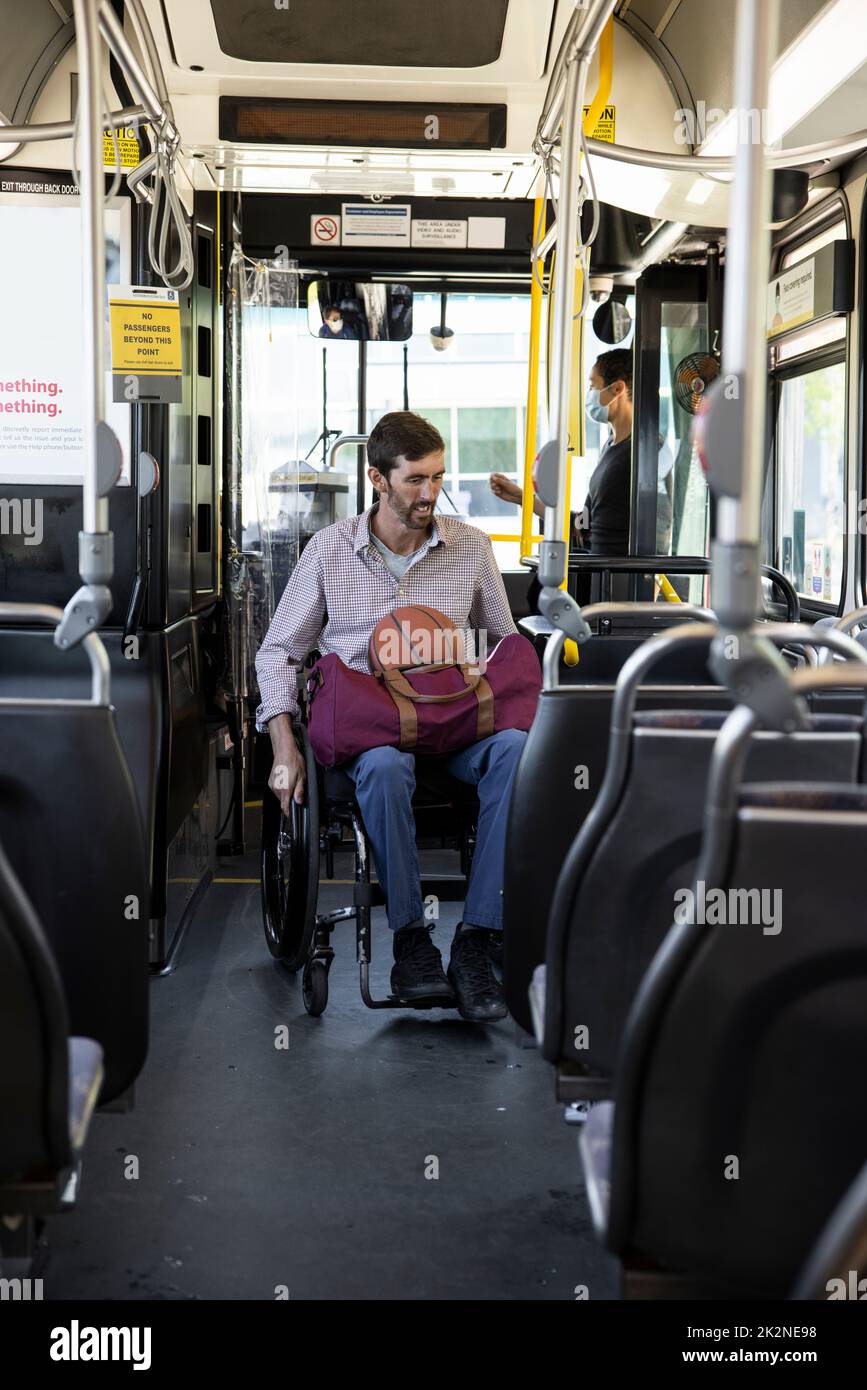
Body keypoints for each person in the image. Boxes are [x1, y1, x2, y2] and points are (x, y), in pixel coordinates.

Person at [255, 411, 526, 1023]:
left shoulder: (471, 548)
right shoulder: (329, 551)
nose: (429, 493)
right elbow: (278, 653)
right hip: (371, 730)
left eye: (437, 478)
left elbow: (504, 650)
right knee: (382, 765)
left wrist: (456, 656)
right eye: (414, 481)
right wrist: (282, 747)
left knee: (515, 751)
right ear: (377, 478)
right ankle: (410, 941)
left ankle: (477, 940)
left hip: (451, 725)